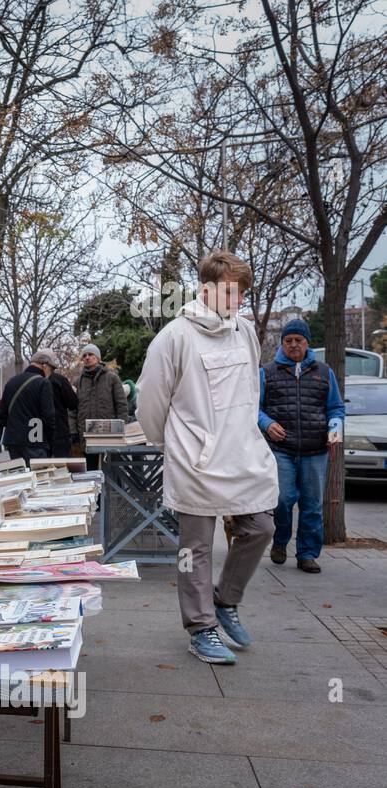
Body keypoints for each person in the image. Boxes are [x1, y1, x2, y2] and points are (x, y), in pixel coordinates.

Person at [136, 250, 277, 666]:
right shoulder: (175, 336)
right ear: (207, 289)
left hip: (242, 454)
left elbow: (250, 390)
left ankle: (224, 599)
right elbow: (150, 401)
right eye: (233, 291)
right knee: (194, 549)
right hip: (196, 459)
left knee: (261, 527)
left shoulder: (245, 333)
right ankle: (201, 628)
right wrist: (173, 443)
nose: (240, 300)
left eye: (243, 292)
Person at [258, 317, 345, 574]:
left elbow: (336, 408)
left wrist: (335, 429)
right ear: (282, 343)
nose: (293, 345)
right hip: (281, 449)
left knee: (312, 505)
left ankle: (307, 554)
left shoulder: (324, 372)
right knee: (283, 500)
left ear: (307, 343)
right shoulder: (267, 372)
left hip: (315, 451)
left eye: (299, 340)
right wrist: (267, 423)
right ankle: (280, 542)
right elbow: (254, 408)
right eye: (288, 341)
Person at [72, 343, 128, 468]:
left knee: (112, 471)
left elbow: (121, 405)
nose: (87, 357)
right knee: (91, 473)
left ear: (98, 358)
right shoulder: (78, 381)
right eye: (84, 355)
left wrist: (122, 427)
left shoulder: (112, 378)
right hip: (86, 435)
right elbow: (73, 410)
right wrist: (73, 431)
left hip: (109, 434)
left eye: (90, 354)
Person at [0, 350, 58, 465]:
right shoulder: (43, 383)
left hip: (14, 442)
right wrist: (51, 441)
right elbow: (49, 416)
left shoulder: (11, 382)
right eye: (52, 368)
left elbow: (2, 415)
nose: (51, 372)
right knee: (38, 479)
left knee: (21, 479)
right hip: (35, 441)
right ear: (44, 365)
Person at [48, 363, 79, 458]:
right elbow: (73, 403)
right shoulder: (60, 380)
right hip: (60, 430)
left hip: (38, 433)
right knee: (62, 465)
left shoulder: (33, 381)